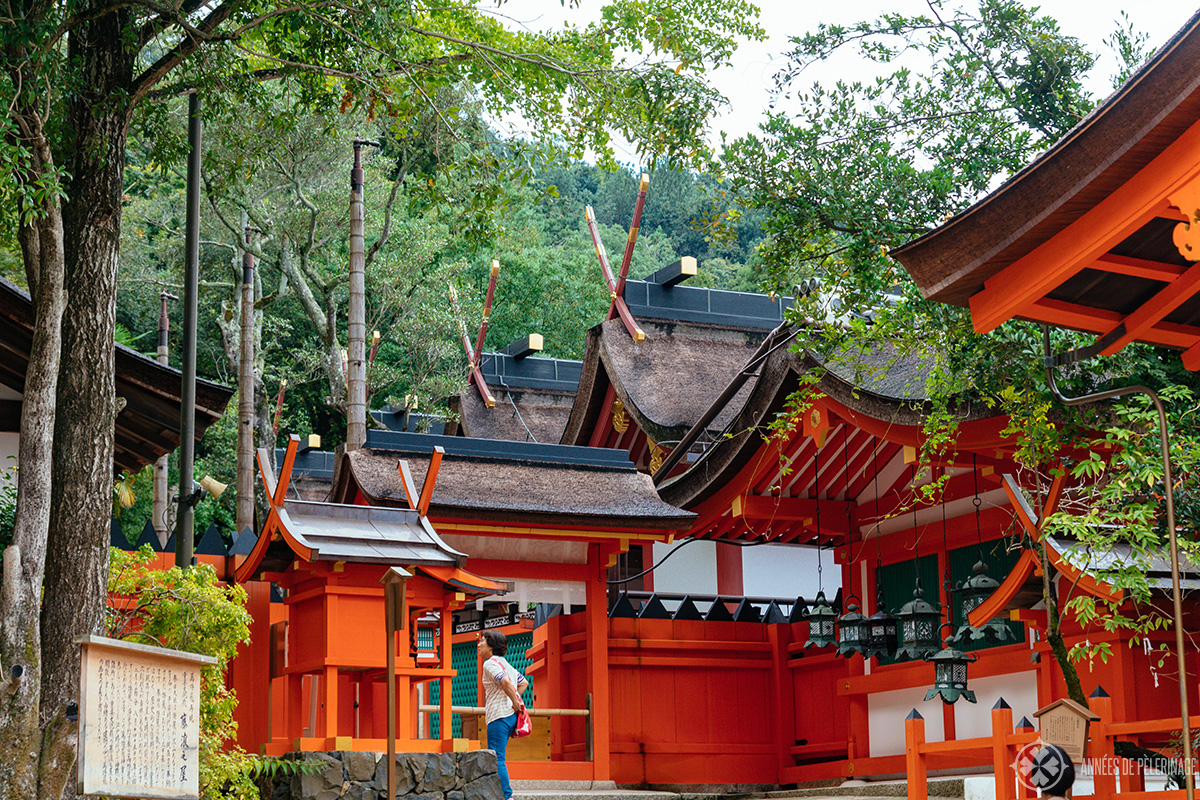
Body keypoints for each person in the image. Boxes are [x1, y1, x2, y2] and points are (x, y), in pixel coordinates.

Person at [478, 629, 528, 800]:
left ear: (491, 645)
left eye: (482, 641)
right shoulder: (507, 665)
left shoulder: (489, 664)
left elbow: (505, 682)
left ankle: (507, 796)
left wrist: (515, 702)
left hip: (498, 716)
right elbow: (523, 682)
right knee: (498, 756)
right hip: (510, 717)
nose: (479, 644)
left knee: (497, 757)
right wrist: (513, 703)